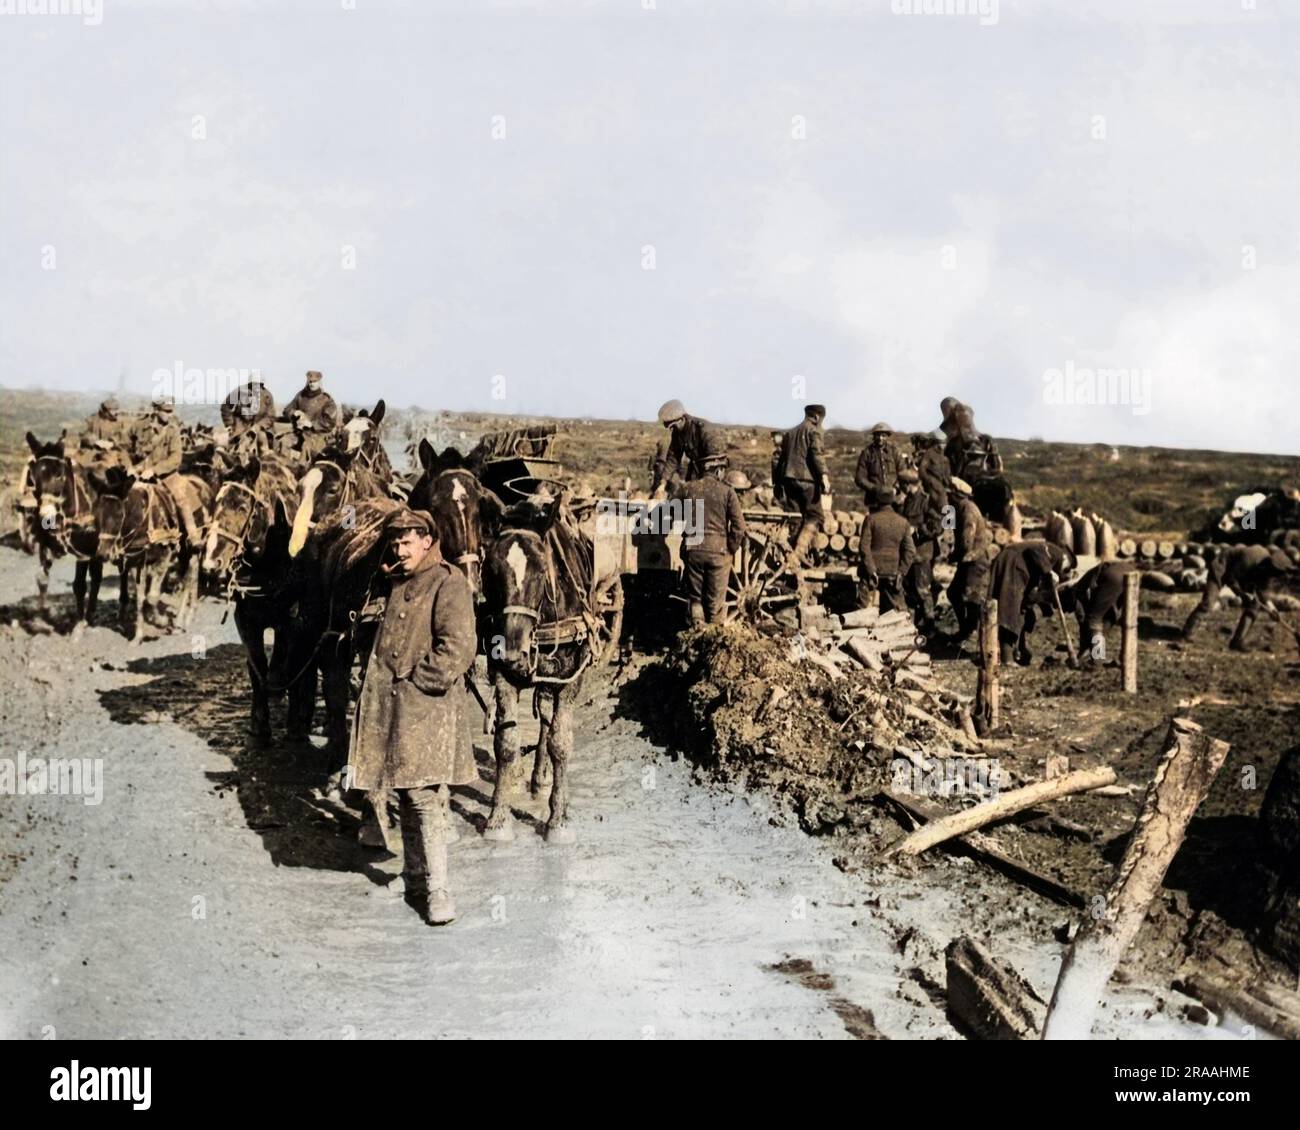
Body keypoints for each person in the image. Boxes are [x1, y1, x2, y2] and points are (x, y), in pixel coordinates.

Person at [348, 508, 477, 926]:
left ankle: (439, 889)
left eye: (407, 542)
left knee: (426, 796)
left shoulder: (448, 582)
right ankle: (413, 876)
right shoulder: (394, 580)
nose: (399, 549)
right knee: (402, 789)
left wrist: (417, 681)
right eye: (395, 541)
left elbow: (458, 647)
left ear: (428, 540)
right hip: (392, 707)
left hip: (427, 708)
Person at [671, 452, 746, 623]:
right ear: (719, 470)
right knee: (715, 605)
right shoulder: (728, 492)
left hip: (693, 551)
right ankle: (712, 642)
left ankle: (696, 637)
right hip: (719, 553)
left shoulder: (688, 488)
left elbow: (671, 511)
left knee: (696, 599)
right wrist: (730, 548)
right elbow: (739, 527)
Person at [1181, 544, 1296, 652]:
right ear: (1269, 565)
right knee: (1208, 603)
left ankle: (1237, 641)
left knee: (1254, 606)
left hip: (1242, 576)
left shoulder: (1270, 572)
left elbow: (1263, 591)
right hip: (1221, 568)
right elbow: (1231, 578)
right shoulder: (1251, 557)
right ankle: (1186, 633)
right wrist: (1243, 594)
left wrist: (1272, 608)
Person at [987, 539, 1077, 666]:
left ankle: (1017, 650)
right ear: (1066, 559)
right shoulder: (1057, 553)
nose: (1062, 571)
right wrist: (1049, 572)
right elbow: (1033, 552)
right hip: (1013, 564)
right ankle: (1007, 658)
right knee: (1009, 611)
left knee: (1019, 610)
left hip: (1009, 562)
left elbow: (1033, 594)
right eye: (1066, 569)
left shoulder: (1046, 559)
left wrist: (1042, 607)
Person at [130, 393, 201, 545]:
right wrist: (130, 467)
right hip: (141, 473)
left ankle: (192, 534)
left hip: (167, 475)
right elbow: (127, 448)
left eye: (171, 411)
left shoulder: (172, 431)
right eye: (165, 411)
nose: (169, 414)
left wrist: (154, 470)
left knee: (180, 498)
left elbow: (175, 459)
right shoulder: (139, 427)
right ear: (155, 410)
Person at [775, 404, 831, 575]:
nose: (821, 423)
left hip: (789, 479)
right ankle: (798, 554)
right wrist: (824, 477)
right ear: (815, 417)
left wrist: (778, 483)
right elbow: (817, 455)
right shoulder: (814, 431)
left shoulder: (790, 433)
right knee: (815, 515)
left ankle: (789, 556)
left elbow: (781, 459)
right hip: (807, 481)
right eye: (821, 420)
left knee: (796, 518)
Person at [946, 476, 995, 645]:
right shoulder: (956, 508)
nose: (948, 496)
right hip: (968, 559)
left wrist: (956, 555)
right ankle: (966, 629)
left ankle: (975, 632)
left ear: (957, 494)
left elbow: (967, 539)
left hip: (976, 558)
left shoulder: (968, 510)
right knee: (953, 593)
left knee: (971, 597)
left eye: (950, 493)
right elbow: (949, 528)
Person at [857, 486, 915, 615]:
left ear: (877, 500)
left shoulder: (871, 519)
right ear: (892, 500)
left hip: (871, 574)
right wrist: (901, 572)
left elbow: (864, 547)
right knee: (897, 613)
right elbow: (910, 551)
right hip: (893, 572)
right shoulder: (903, 522)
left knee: (862, 611)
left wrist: (871, 570)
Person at [899, 467, 941, 634]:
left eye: (902, 484)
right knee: (910, 590)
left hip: (922, 553)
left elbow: (937, 526)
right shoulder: (907, 500)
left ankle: (930, 626)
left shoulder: (926, 501)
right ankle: (916, 625)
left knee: (922, 589)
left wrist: (917, 530)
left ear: (908, 484)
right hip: (910, 553)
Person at [651, 400, 717, 498]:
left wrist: (704, 483)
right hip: (695, 471)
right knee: (689, 498)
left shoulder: (702, 429)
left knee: (705, 500)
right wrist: (663, 482)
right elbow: (673, 458)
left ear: (681, 419)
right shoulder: (677, 433)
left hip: (711, 471)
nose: (672, 429)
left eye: (673, 426)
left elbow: (714, 459)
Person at [854, 422, 902, 507]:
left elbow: (903, 472)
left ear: (887, 436)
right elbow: (860, 478)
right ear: (873, 436)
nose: (880, 438)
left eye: (883, 435)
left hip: (894, 499)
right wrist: (875, 489)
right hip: (874, 500)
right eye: (877, 435)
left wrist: (895, 488)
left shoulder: (894, 452)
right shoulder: (867, 453)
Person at [283, 370, 340, 438]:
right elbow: (286, 410)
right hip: (299, 435)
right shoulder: (301, 395)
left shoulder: (326, 399)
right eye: (310, 381)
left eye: (315, 381)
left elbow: (330, 422)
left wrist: (311, 424)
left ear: (319, 382)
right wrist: (294, 412)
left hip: (318, 436)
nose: (312, 384)